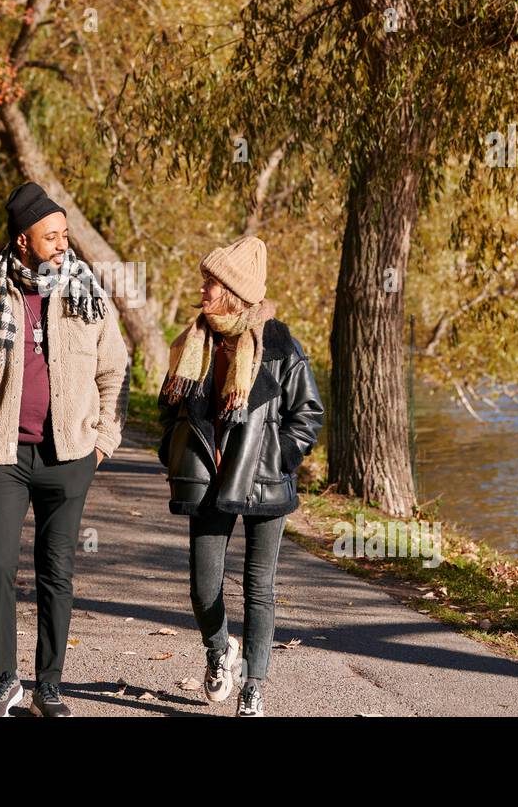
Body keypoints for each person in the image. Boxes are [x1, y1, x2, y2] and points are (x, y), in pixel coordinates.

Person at [0, 181, 129, 717]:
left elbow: (113, 367)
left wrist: (102, 445)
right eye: (51, 236)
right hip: (0, 457)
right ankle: (5, 679)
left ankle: (50, 685)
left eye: (65, 235)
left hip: (69, 458)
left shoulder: (85, 292)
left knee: (58, 573)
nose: (62, 245)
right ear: (23, 241)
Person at [157, 235, 324, 716]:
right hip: (210, 481)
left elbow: (307, 413)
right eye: (205, 281)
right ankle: (218, 652)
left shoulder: (279, 345)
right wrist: (173, 449)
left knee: (260, 588)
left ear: (232, 290)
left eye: (210, 283)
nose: (202, 290)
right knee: (203, 585)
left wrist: (279, 457)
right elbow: (169, 407)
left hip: (264, 481)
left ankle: (253, 683)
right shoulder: (195, 342)